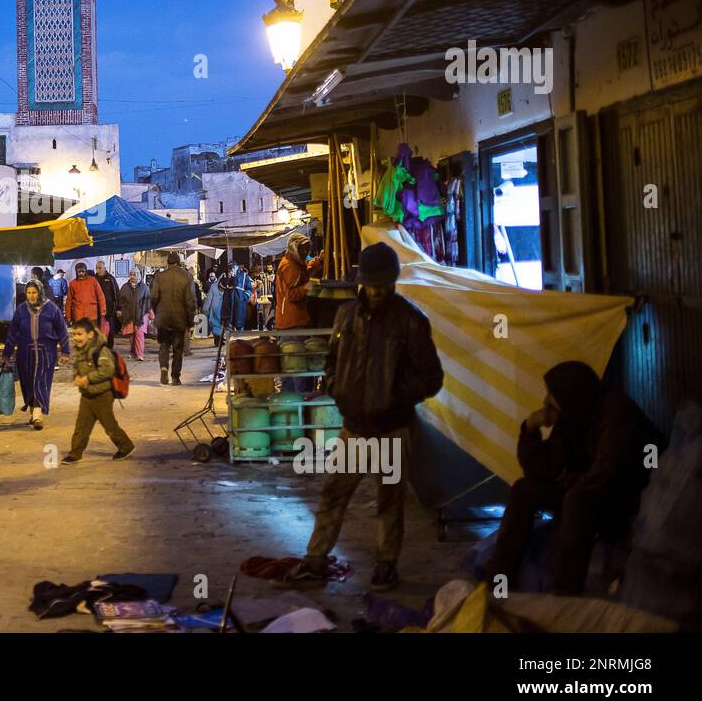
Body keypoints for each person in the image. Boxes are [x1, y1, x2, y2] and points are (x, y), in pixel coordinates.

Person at [274, 242, 443, 593]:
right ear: (363, 282)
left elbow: (432, 378)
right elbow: (333, 361)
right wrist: (339, 390)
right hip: (354, 427)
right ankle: (316, 561)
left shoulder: (412, 321)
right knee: (333, 494)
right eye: (372, 284)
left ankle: (386, 565)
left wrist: (393, 397)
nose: (378, 291)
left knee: (389, 501)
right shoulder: (346, 316)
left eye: (383, 284)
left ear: (393, 282)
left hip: (393, 429)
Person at [485, 361, 662, 596]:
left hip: (628, 499)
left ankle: (566, 597)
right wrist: (530, 429)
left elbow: (607, 475)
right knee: (524, 489)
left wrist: (572, 481)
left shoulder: (617, 412)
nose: (547, 401)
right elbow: (541, 470)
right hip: (587, 491)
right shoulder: (573, 416)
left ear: (572, 394)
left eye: (552, 395)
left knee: (577, 499)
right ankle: (499, 583)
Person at [61, 319, 134, 464]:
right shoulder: (81, 350)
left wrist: (87, 379)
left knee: (109, 425)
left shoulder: (101, 350)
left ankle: (126, 446)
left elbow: (107, 370)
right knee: (81, 426)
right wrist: (76, 376)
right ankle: (75, 454)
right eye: (74, 334)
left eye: (79, 334)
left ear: (90, 334)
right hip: (87, 395)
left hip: (103, 395)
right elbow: (77, 367)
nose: (76, 337)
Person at [3, 279, 70, 430]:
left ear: (40, 292)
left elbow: (62, 330)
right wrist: (7, 353)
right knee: (27, 383)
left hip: (46, 352)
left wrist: (65, 351)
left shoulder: (51, 308)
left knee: (40, 381)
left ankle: (38, 414)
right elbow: (12, 332)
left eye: (34, 292)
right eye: (28, 293)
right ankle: (34, 411)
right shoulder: (21, 310)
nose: (31, 296)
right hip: (25, 353)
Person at [150, 253, 197, 386]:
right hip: (180, 319)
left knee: (164, 346)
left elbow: (153, 297)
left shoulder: (159, 276)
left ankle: (164, 368)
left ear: (168, 263)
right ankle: (175, 377)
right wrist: (190, 321)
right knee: (178, 349)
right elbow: (191, 301)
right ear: (179, 263)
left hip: (163, 318)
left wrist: (157, 311)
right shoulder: (187, 277)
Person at [275, 233, 321, 330]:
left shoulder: (296, 263)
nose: (305, 252)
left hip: (295, 320)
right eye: (301, 248)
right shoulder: (290, 266)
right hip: (292, 322)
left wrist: (319, 261)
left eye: (307, 248)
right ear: (294, 249)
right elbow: (291, 295)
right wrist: (308, 287)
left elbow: (306, 269)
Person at [117, 269, 151, 362]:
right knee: (131, 335)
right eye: (131, 275)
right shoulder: (124, 287)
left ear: (138, 276)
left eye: (134, 275)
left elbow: (148, 301)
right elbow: (121, 300)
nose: (132, 277)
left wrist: (149, 313)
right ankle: (133, 352)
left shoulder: (144, 287)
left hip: (141, 314)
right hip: (129, 314)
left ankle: (140, 354)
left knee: (139, 334)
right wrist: (120, 310)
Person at [64, 262, 106, 333]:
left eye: (82, 271)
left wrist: (103, 310)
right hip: (78, 315)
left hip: (92, 315)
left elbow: (100, 295)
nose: (81, 273)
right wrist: (68, 316)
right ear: (76, 272)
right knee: (81, 335)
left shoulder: (93, 281)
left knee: (92, 335)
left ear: (85, 271)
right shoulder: (73, 284)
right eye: (79, 272)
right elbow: (69, 301)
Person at [94, 261, 121, 348]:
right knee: (98, 331)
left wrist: (118, 308)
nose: (98, 270)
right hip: (97, 311)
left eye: (100, 268)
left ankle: (109, 349)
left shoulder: (110, 279)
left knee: (110, 332)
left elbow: (116, 293)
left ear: (104, 268)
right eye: (97, 268)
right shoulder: (94, 279)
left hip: (109, 310)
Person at [202, 270, 225, 347]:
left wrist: (205, 309)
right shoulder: (228, 287)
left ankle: (217, 340)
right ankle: (221, 339)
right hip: (223, 308)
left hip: (214, 308)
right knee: (222, 325)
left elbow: (209, 299)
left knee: (215, 325)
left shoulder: (213, 286)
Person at [228, 261, 253, 331]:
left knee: (239, 324)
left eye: (232, 268)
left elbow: (249, 289)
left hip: (240, 305)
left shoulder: (244, 276)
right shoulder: (228, 277)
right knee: (230, 326)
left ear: (236, 267)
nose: (230, 270)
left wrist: (243, 297)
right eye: (229, 268)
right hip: (230, 306)